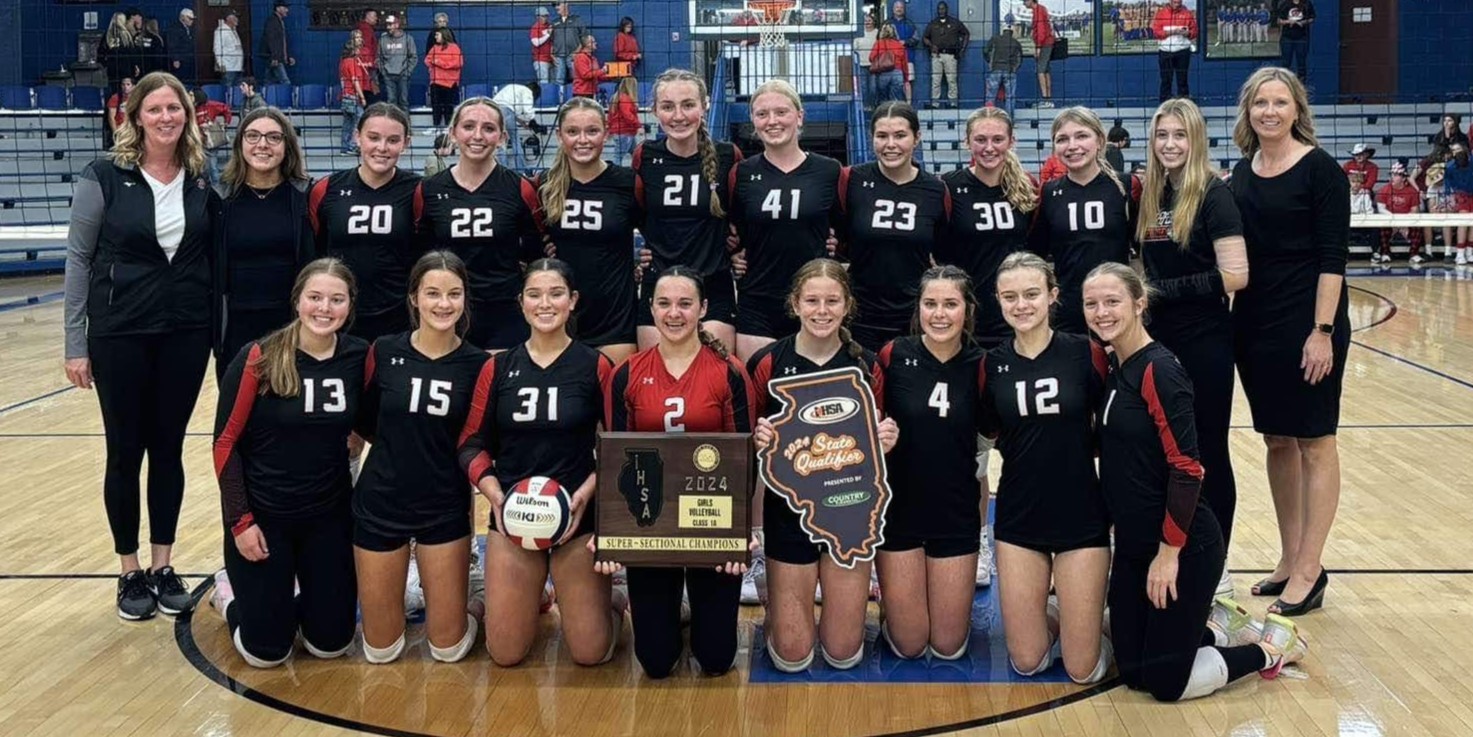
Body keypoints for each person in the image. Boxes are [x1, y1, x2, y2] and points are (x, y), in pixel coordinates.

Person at [1085, 262, 1309, 700]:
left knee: (1167, 685)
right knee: (1132, 671)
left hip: (1183, 547)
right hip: (1135, 546)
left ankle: (1270, 649)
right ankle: (1220, 631)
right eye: (1092, 304)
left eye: (1112, 302)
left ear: (1139, 302)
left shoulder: (1160, 371)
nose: (1101, 312)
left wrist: (1169, 555)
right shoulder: (1115, 366)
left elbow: (1188, 469)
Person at [63, 72, 215, 620]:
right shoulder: (104, 175)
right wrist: (74, 342)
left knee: (169, 449)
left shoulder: (201, 177)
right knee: (125, 452)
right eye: (155, 109)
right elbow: (79, 259)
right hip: (119, 332)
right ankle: (128, 572)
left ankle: (163, 564)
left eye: (174, 108)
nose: (166, 117)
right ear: (134, 116)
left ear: (187, 115)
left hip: (184, 332)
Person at [457, 258, 621, 666]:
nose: (544, 303)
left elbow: (622, 444)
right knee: (505, 655)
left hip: (578, 519)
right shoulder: (498, 367)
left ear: (572, 301)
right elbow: (470, 444)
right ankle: (536, 595)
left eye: (555, 293)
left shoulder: (595, 365)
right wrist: (495, 496)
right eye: (534, 294)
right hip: (514, 517)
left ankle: (614, 602)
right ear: (521, 302)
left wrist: (585, 494)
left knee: (590, 653)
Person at [1228, 67, 1349, 616]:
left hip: (1308, 323)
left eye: (1279, 102)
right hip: (1256, 322)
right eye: (1260, 103)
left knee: (1315, 440)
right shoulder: (1241, 172)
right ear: (1248, 111)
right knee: (1277, 439)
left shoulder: (1322, 171)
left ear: (1297, 109)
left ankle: (1310, 568)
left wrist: (1321, 332)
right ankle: (1288, 557)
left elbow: (1333, 259)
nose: (1269, 112)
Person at [602, 266, 758, 677]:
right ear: (650, 309)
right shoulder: (626, 374)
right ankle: (674, 612)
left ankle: (694, 612)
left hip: (710, 520)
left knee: (716, 660)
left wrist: (737, 541)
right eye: (665, 303)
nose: (675, 313)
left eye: (686, 304)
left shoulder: (730, 372)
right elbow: (617, 458)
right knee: (655, 662)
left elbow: (745, 460)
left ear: (703, 309)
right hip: (650, 521)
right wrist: (615, 539)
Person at [209, 258, 364, 668]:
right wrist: (241, 521)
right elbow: (225, 443)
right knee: (266, 654)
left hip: (328, 518)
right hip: (265, 519)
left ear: (349, 305)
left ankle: (289, 602)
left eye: (336, 299)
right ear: (298, 300)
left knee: (330, 646)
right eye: (315, 297)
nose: (324, 309)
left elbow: (379, 419)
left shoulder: (359, 358)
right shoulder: (258, 357)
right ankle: (230, 597)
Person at [749, 259, 898, 671]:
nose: (822, 310)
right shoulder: (768, 363)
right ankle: (776, 598)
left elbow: (879, 439)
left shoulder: (866, 366)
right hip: (789, 517)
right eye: (812, 300)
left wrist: (886, 440)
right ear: (795, 303)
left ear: (847, 305)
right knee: (792, 656)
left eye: (832, 301)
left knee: (843, 653)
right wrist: (759, 439)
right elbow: (746, 437)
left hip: (849, 514)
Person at [978, 252, 1110, 682]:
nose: (1021, 305)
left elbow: (1112, 428)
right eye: (1010, 296)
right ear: (998, 301)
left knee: (1081, 669)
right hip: (1019, 518)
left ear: (1053, 296)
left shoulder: (1086, 354)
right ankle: (1060, 611)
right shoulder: (991, 365)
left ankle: (1096, 625)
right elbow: (986, 432)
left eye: (1032, 294)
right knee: (1027, 661)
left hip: (1081, 517)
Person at [1136, 99, 1248, 597]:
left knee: (1207, 451)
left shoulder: (1214, 196)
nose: (1170, 144)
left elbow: (1236, 274)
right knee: (1166, 453)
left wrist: (1164, 293)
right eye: (1162, 135)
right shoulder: (1151, 193)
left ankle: (1217, 559)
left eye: (1180, 135)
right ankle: (1170, 550)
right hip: (1159, 341)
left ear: (1196, 139)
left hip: (1205, 340)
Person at [354, 250, 487, 664]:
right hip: (380, 503)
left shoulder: (478, 365)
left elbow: (477, 441)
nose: (443, 304)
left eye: (453, 294)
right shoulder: (384, 350)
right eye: (432, 293)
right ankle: (410, 590)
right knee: (381, 651)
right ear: (414, 297)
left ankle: (481, 600)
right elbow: (364, 423)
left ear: (465, 298)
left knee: (448, 650)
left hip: (442, 508)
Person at [873, 266, 987, 662]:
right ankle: (895, 604)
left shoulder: (983, 364)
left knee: (948, 646)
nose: (939, 314)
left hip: (955, 515)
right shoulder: (893, 355)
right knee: (910, 645)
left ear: (967, 309)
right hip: (898, 512)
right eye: (930, 304)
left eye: (950, 304)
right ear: (918, 308)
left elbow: (985, 454)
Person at [728, 79, 844, 364]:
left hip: (814, 303)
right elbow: (731, 231)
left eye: (781, 112)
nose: (772, 121)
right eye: (762, 114)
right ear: (753, 121)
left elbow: (846, 229)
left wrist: (836, 248)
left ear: (799, 116)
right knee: (759, 392)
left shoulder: (829, 171)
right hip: (758, 299)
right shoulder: (740, 173)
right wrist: (733, 254)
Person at [418, 98, 545, 351]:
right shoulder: (429, 190)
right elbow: (420, 255)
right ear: (453, 133)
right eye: (468, 126)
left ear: (502, 137)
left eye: (488, 128)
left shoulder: (519, 189)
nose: (478, 136)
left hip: (505, 313)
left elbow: (536, 255)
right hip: (448, 312)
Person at [634, 69, 742, 354]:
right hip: (659, 283)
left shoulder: (728, 156)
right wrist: (632, 253)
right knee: (656, 382)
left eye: (688, 105)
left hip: (713, 282)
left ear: (705, 106)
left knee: (715, 378)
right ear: (655, 110)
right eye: (668, 107)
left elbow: (743, 215)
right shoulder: (644, 156)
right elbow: (629, 213)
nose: (678, 116)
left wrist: (740, 248)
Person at [212, 107, 317, 376]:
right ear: (240, 143)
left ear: (287, 145)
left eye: (273, 137)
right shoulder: (219, 199)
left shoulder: (306, 196)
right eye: (253, 136)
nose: (262, 144)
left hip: (292, 327)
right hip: (235, 328)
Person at [538, 97, 642, 365]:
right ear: (560, 136)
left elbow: (659, 233)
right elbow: (530, 243)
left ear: (606, 134)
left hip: (614, 318)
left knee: (612, 402)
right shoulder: (544, 186)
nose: (582, 140)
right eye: (573, 132)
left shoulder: (627, 183)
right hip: (559, 318)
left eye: (592, 131)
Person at [309, 102, 423, 342]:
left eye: (393, 140)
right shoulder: (326, 189)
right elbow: (315, 253)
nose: (382, 148)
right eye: (373, 137)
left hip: (400, 320)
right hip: (338, 319)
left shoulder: (419, 191)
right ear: (357, 137)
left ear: (406, 143)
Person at [841, 102, 949, 351]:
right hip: (860, 317)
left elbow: (944, 250)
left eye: (900, 135)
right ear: (872, 139)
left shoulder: (936, 190)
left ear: (917, 138)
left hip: (914, 317)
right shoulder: (852, 180)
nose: (891, 144)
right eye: (882, 136)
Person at [1028, 106, 1140, 335]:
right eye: (1062, 139)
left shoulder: (1127, 186)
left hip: (1117, 309)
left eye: (1082, 136)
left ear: (1100, 140)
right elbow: (1035, 255)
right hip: (1068, 311)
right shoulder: (1048, 194)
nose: (1072, 146)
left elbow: (1145, 251)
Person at [939, 107, 1037, 349]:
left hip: (1016, 314)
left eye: (998, 139)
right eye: (980, 140)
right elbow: (938, 249)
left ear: (1011, 142)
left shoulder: (1027, 187)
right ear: (967, 142)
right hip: (967, 316)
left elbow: (1036, 247)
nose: (989, 147)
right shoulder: (949, 186)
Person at [1372, 162, 1422, 264]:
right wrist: (1395, 221)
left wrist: (1404, 223)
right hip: (1390, 220)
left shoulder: (1412, 191)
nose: (1392, 177)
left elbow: (1414, 210)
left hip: (1407, 221)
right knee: (1381, 227)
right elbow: (1381, 209)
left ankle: (1414, 254)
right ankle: (1385, 253)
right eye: (1391, 174)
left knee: (1418, 227)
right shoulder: (1384, 189)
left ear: (1403, 178)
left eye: (1395, 175)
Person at [921, 1, 968, 109]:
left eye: (943, 8)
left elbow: (966, 34)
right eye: (939, 9)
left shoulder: (955, 23)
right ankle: (935, 104)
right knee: (935, 80)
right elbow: (924, 38)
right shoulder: (933, 24)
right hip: (936, 56)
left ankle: (953, 103)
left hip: (950, 55)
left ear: (947, 9)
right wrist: (931, 45)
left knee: (951, 80)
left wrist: (962, 50)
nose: (941, 11)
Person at [1152, 0, 1197, 102]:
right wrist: (1171, 32)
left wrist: (1188, 33)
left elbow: (1194, 32)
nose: (1177, 4)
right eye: (1175, 2)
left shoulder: (1187, 14)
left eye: (1179, 2)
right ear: (1170, 1)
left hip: (1182, 52)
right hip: (1165, 52)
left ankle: (1184, 107)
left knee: (1182, 81)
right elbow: (1156, 33)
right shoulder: (1161, 14)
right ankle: (1164, 106)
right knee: (1166, 81)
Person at [424, 29, 464, 133]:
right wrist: (437, 62)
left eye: (437, 35)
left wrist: (439, 62)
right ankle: (436, 126)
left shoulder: (454, 48)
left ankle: (448, 127)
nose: (435, 37)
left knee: (448, 106)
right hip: (435, 81)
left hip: (449, 82)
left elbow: (457, 63)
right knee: (436, 105)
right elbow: (427, 60)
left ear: (444, 35)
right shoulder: (434, 48)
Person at [378, 14, 418, 113]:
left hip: (403, 75)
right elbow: (378, 58)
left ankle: (406, 126)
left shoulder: (408, 38)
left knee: (403, 102)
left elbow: (413, 57)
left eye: (390, 25)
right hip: (388, 75)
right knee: (391, 102)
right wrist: (383, 72)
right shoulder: (383, 39)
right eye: (387, 25)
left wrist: (407, 72)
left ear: (397, 25)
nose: (388, 27)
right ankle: (392, 126)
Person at [336, 39, 369, 155]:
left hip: (345, 96)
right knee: (358, 120)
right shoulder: (352, 62)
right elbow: (355, 81)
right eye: (358, 48)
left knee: (347, 122)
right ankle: (352, 145)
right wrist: (362, 97)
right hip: (352, 96)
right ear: (353, 50)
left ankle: (344, 147)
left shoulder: (343, 62)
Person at [983, 27, 1022, 117]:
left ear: (1003, 31)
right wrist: (1014, 68)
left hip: (996, 69)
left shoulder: (995, 39)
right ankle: (1009, 120)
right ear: (1012, 33)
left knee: (991, 95)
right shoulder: (1016, 42)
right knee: (1010, 97)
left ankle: (988, 117)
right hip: (1009, 70)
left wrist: (990, 62)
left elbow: (985, 51)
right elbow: (1019, 59)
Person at [1023, 0, 1056, 108]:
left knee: (1040, 70)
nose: (1024, 3)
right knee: (1045, 70)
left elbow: (1041, 30)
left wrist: (1038, 47)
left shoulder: (1038, 10)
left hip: (1045, 43)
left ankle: (1046, 100)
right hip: (1047, 42)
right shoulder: (1040, 9)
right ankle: (1048, 100)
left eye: (1024, 1)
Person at [869, 24, 910, 104]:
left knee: (883, 99)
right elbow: (904, 63)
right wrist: (906, 79)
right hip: (897, 72)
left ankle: (884, 114)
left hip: (883, 73)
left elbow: (871, 58)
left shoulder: (878, 43)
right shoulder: (899, 45)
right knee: (896, 100)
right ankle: (895, 114)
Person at [1275, 0, 1315, 81]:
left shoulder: (1306, 3)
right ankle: (1285, 83)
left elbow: (1312, 18)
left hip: (1302, 37)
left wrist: (1303, 22)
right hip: (1287, 37)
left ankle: (1301, 84)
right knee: (1286, 62)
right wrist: (1288, 22)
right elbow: (1279, 20)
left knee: (1301, 63)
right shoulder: (1285, 4)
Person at [550, 2, 588, 84]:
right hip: (558, 55)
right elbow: (552, 40)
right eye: (555, 5)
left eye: (558, 4)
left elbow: (584, 37)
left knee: (576, 79)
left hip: (573, 55)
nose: (556, 7)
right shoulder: (554, 23)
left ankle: (576, 96)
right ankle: (559, 97)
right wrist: (551, 54)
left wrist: (577, 52)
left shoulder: (577, 20)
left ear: (566, 4)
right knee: (558, 80)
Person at [99, 12, 139, 90]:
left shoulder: (107, 35)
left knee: (115, 91)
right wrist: (135, 65)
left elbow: (101, 53)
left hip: (113, 69)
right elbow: (132, 51)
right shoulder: (126, 35)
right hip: (126, 68)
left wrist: (106, 64)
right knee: (126, 90)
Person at [607, 77, 640, 166]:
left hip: (623, 131)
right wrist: (639, 125)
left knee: (636, 153)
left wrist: (610, 129)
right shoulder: (625, 99)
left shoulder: (615, 97)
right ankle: (615, 174)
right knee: (618, 156)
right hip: (625, 131)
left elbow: (610, 116)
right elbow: (628, 116)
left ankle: (637, 171)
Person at [213, 11, 244, 104]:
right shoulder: (221, 30)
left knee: (237, 90)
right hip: (228, 66)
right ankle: (224, 106)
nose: (237, 20)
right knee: (227, 88)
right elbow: (217, 48)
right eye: (235, 17)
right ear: (228, 18)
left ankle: (235, 106)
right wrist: (220, 63)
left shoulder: (233, 30)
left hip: (237, 66)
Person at [264, 0, 294, 86]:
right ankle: (286, 98)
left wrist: (287, 57)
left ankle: (266, 96)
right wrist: (274, 57)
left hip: (275, 57)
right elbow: (272, 39)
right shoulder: (272, 21)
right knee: (285, 82)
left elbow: (281, 42)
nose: (287, 10)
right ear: (278, 8)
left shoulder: (278, 21)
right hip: (276, 58)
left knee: (269, 81)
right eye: (285, 8)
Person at [354, 9, 380, 104]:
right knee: (371, 89)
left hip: (366, 65)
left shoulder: (365, 28)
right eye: (374, 16)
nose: (376, 19)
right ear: (367, 17)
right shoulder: (366, 29)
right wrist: (372, 63)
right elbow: (367, 48)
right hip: (368, 66)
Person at [571, 35, 608, 100]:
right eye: (593, 42)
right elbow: (585, 75)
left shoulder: (593, 59)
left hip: (592, 92)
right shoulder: (580, 57)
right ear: (587, 44)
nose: (596, 43)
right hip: (582, 93)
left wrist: (612, 74)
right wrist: (602, 71)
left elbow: (598, 75)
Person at [165, 9, 196, 85]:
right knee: (180, 80)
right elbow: (172, 44)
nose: (192, 21)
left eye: (192, 19)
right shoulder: (175, 28)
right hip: (180, 60)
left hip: (188, 59)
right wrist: (175, 59)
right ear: (182, 17)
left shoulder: (189, 29)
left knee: (188, 80)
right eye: (190, 18)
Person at [854, 15, 879, 108]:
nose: (867, 22)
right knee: (863, 87)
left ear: (873, 21)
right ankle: (865, 106)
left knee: (873, 87)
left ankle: (873, 105)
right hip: (861, 64)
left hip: (875, 65)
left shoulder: (878, 33)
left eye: (869, 20)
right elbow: (854, 48)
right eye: (865, 20)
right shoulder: (859, 33)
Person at [104, 77, 135, 149]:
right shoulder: (115, 98)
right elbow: (111, 117)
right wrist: (116, 133)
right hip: (121, 129)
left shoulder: (138, 98)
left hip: (133, 128)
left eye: (128, 84)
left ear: (133, 86)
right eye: (123, 85)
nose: (125, 87)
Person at [531, 7, 554, 86]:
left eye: (546, 16)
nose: (545, 18)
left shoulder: (549, 26)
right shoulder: (535, 27)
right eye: (543, 16)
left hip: (551, 60)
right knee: (544, 83)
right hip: (540, 60)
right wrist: (548, 35)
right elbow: (536, 43)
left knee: (552, 83)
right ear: (538, 17)